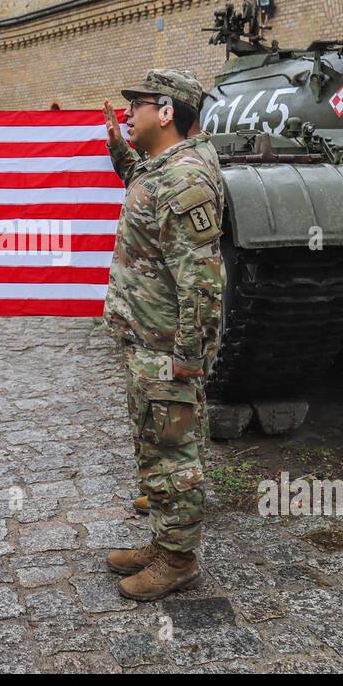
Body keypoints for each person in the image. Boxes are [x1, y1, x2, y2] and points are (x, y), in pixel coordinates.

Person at [101, 69, 226, 601]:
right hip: (146, 341)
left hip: (167, 349)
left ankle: (178, 560)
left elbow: (201, 278)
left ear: (168, 111)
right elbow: (146, 190)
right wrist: (119, 150)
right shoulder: (166, 168)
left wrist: (189, 355)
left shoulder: (185, 179)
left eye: (139, 104)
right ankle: (163, 539)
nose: (129, 113)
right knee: (153, 445)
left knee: (174, 450)